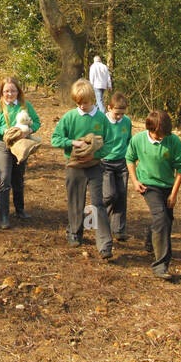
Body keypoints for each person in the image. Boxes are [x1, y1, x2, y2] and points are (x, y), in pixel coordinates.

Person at [50, 79, 113, 259]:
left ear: (92, 98)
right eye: (78, 103)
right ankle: (75, 232)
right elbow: (55, 138)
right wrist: (73, 142)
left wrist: (96, 155)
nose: (82, 106)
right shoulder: (70, 117)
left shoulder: (101, 118)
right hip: (74, 166)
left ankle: (104, 244)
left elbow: (110, 143)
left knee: (97, 203)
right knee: (76, 201)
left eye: (85, 102)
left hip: (94, 166)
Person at [125, 110, 181, 281]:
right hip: (149, 185)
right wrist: (135, 181)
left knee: (166, 220)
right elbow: (130, 158)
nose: (161, 139)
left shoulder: (173, 141)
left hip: (167, 185)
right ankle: (161, 265)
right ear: (150, 130)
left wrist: (174, 194)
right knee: (161, 218)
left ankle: (151, 237)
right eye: (158, 136)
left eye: (163, 136)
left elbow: (180, 168)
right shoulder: (138, 140)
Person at [0, 76, 41, 229]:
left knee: (18, 177)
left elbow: (37, 121)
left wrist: (28, 130)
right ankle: (3, 215)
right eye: (6, 91)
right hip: (2, 145)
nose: (9, 94)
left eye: (13, 91)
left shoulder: (25, 105)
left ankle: (20, 209)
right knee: (4, 178)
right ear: (2, 92)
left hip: (20, 146)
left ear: (18, 91)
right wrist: (5, 131)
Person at [100, 93, 132, 241]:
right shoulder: (102, 121)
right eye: (116, 113)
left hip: (122, 162)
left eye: (122, 114)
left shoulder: (126, 122)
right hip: (105, 162)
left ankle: (118, 229)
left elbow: (129, 141)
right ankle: (101, 222)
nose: (119, 116)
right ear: (109, 108)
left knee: (121, 195)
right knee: (109, 195)